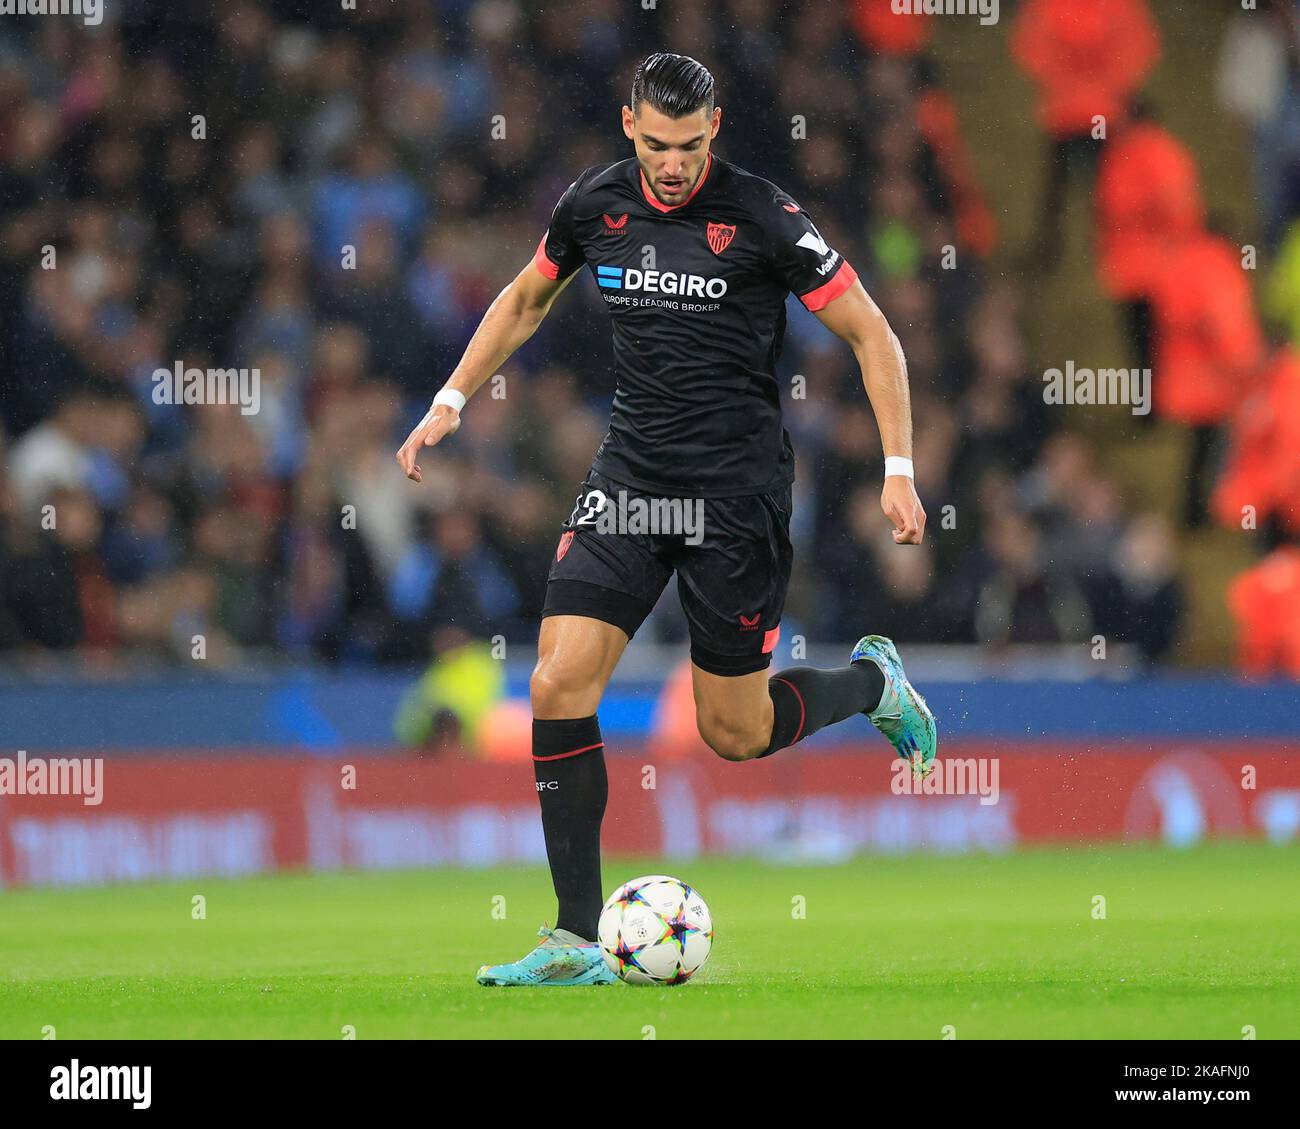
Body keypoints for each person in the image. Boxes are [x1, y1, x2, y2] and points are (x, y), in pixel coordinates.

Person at [395, 53, 937, 987]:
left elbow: (870, 332)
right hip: (632, 480)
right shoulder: (595, 205)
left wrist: (898, 467)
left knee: (736, 731)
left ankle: (871, 685)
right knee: (558, 681)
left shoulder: (763, 215)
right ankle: (572, 937)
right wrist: (451, 396)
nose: (674, 163)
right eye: (657, 144)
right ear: (628, 127)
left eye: (690, 145)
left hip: (737, 496)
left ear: (714, 129)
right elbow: (526, 297)